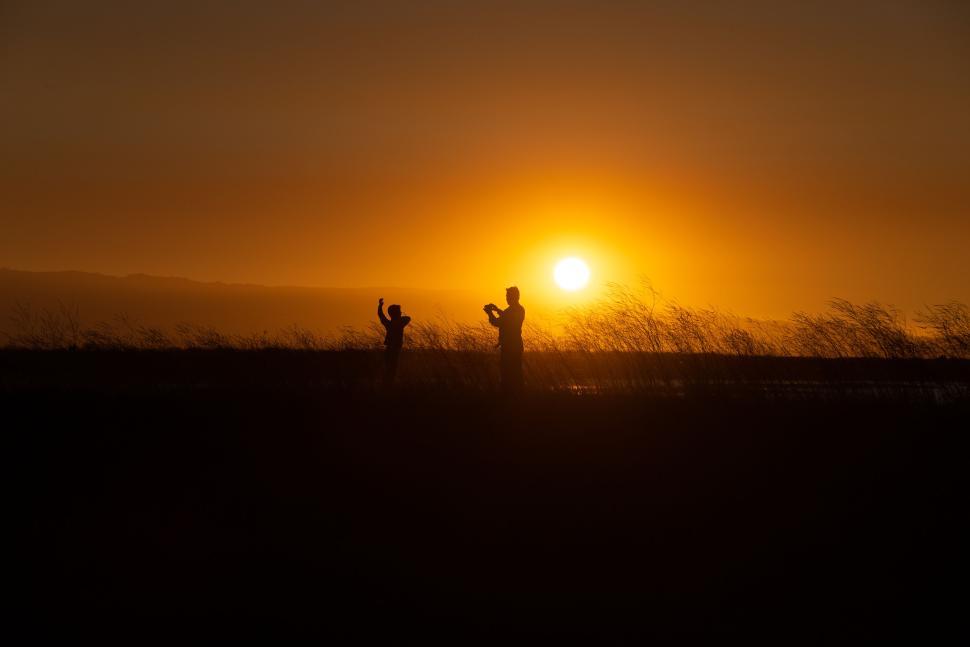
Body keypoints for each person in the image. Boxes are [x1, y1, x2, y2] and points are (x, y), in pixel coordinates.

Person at [484, 286, 525, 394]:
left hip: (509, 347)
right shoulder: (520, 309)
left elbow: (497, 322)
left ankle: (508, 397)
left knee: (507, 373)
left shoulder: (510, 311)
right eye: (506, 296)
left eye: (508, 296)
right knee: (517, 373)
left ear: (515, 296)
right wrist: (497, 310)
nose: (506, 298)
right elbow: (508, 319)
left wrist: (489, 313)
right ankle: (519, 396)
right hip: (517, 345)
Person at [377, 297, 410, 388]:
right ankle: (389, 385)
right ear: (396, 314)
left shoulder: (389, 324)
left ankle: (386, 385)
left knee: (389, 368)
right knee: (392, 368)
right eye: (399, 311)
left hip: (389, 349)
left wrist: (380, 306)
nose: (401, 312)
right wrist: (397, 317)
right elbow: (408, 318)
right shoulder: (400, 323)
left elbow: (381, 315)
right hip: (395, 349)